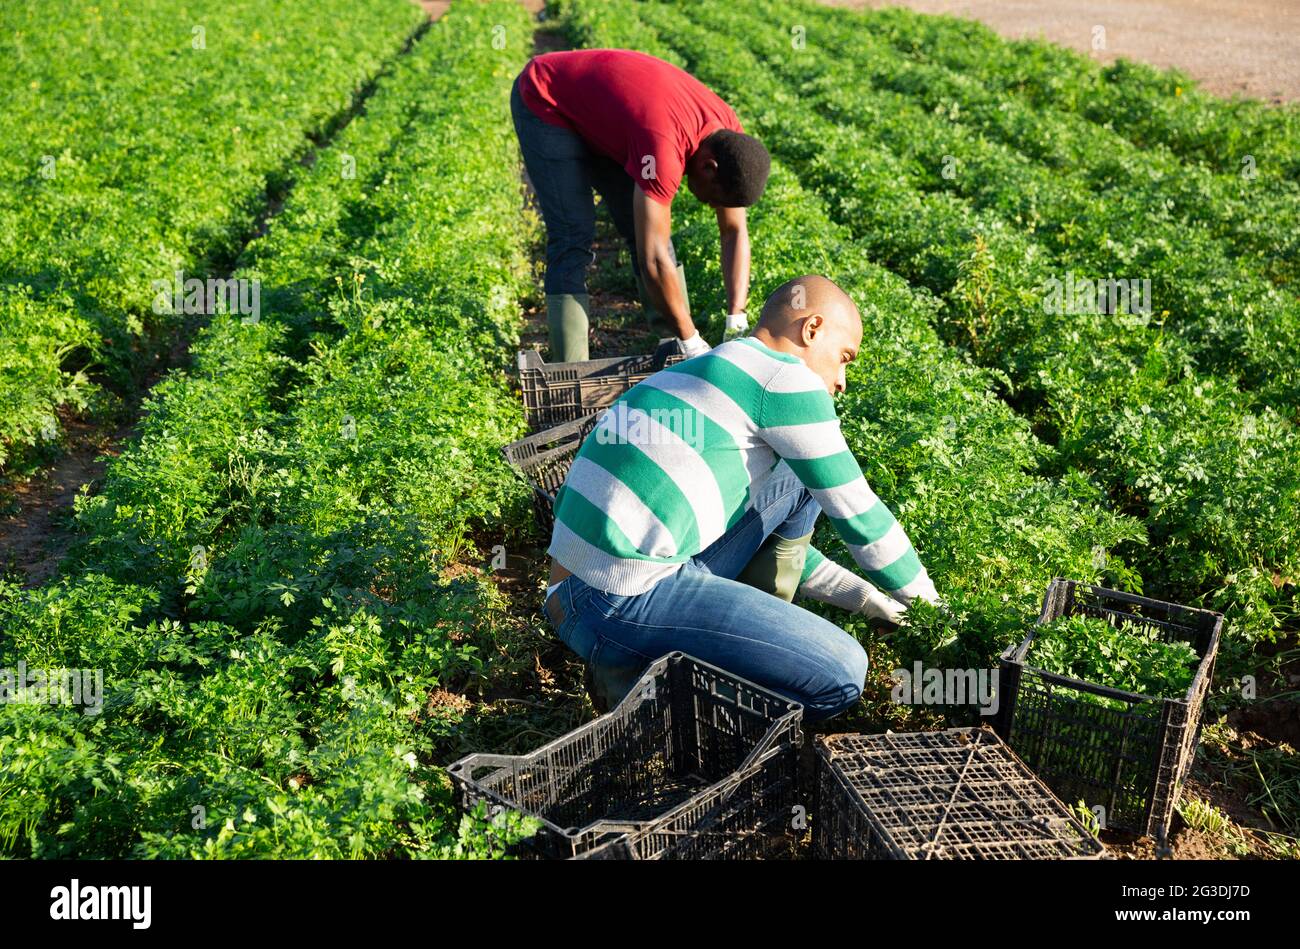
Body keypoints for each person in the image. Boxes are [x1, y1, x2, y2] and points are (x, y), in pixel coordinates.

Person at [542, 275, 942, 718]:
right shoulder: (783, 380)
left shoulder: (712, 367)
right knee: (842, 673)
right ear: (812, 330)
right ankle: (662, 703)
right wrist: (936, 613)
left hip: (578, 589)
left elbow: (777, 547)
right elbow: (860, 516)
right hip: (614, 599)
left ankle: (731, 644)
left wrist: (868, 600)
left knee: (798, 481)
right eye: (844, 358)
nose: (842, 380)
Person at [511, 48, 771, 362]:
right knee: (572, 233)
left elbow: (734, 231)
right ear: (709, 167)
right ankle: (570, 368)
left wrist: (736, 318)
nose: (711, 205)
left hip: (608, 116)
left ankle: (670, 342)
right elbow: (654, 257)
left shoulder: (730, 143)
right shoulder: (662, 148)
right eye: (714, 199)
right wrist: (693, 341)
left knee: (642, 229)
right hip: (547, 97)